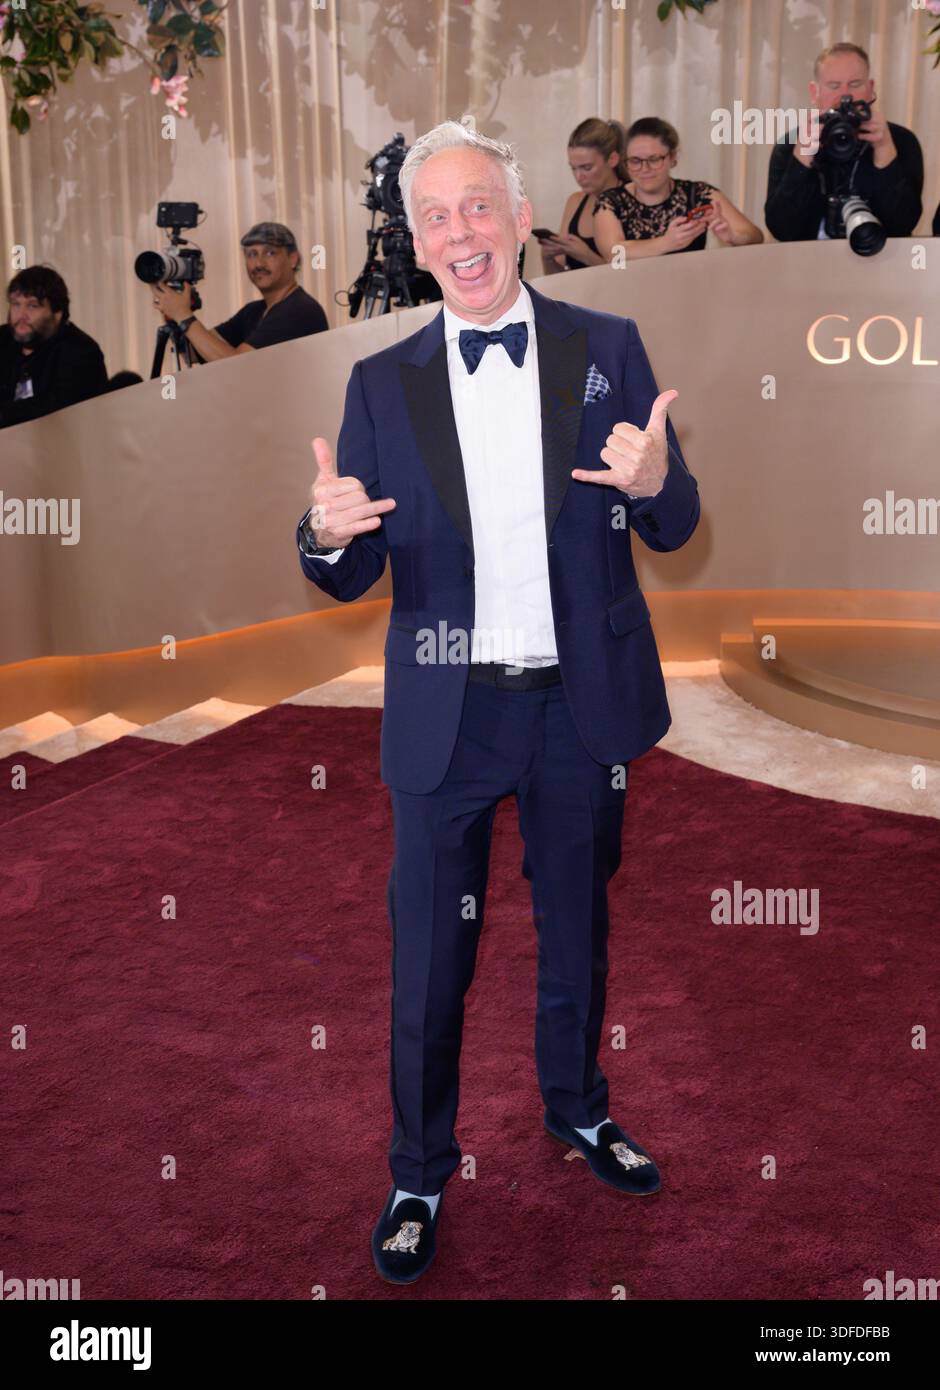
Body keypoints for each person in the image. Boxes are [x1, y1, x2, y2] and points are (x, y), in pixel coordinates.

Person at [295, 118, 701, 1285]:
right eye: (435, 216)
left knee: (577, 925)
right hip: (448, 710)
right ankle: (419, 1166)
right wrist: (318, 535)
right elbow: (348, 555)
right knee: (429, 956)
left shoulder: (608, 343)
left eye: (479, 206)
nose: (460, 233)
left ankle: (578, 1106)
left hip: (582, 707)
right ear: (416, 243)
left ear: (521, 219)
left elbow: (668, 519)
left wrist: (661, 481)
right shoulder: (381, 380)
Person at [764, 42, 923, 242]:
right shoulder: (790, 145)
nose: (845, 95)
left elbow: (903, 224)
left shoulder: (901, 140)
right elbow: (782, 230)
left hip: (882, 262)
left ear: (870, 88)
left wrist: (884, 152)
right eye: (834, 86)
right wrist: (802, 159)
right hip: (808, 263)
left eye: (855, 84)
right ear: (815, 92)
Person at [150, 222, 329, 361]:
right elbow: (195, 353)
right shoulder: (253, 311)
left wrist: (184, 315)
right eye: (251, 254)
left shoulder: (299, 309)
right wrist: (169, 304)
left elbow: (237, 365)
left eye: (270, 253)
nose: (258, 263)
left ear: (293, 259)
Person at [593, 116, 763, 260]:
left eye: (654, 159)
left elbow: (755, 237)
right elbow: (614, 256)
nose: (645, 169)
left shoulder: (697, 193)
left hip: (689, 290)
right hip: (629, 292)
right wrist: (667, 242)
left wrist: (733, 236)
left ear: (672, 158)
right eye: (635, 161)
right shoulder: (611, 201)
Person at [0, 266, 107, 428]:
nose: (21, 315)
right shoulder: (3, 340)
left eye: (32, 306)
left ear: (57, 313)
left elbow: (54, 410)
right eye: (16, 304)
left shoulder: (81, 351)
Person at [537, 117, 627, 274]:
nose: (579, 177)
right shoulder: (575, 201)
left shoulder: (632, 201)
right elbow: (558, 280)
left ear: (613, 159)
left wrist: (586, 256)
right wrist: (547, 258)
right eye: (574, 168)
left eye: (587, 168)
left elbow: (630, 277)